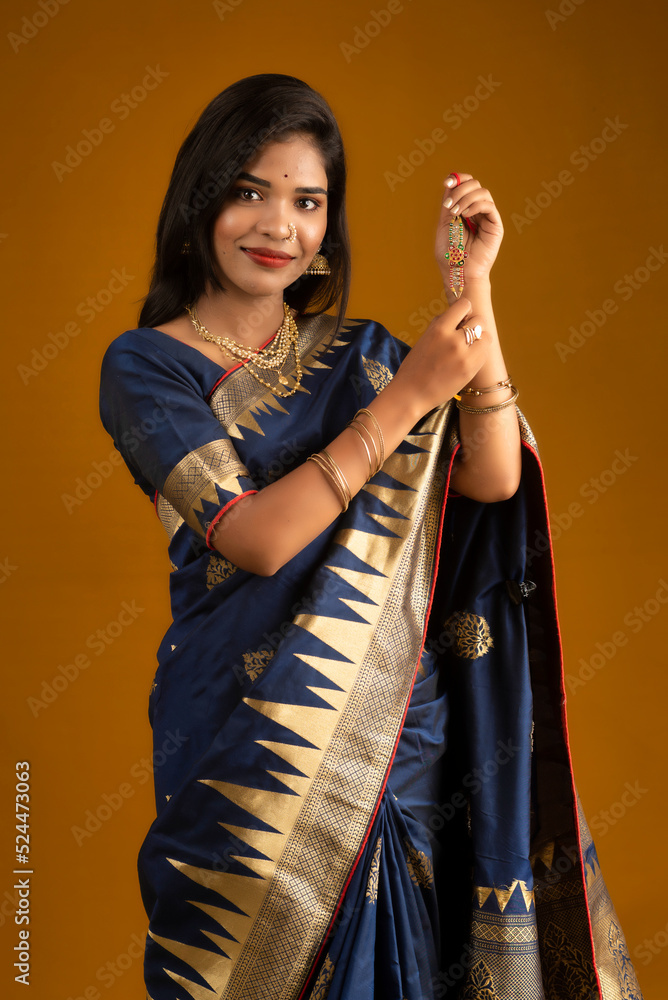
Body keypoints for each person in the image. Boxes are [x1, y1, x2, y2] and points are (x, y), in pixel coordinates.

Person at [99, 74, 643, 1000]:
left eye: (307, 201)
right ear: (201, 199)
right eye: (250, 190)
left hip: (400, 741)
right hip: (254, 757)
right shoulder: (149, 363)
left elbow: (492, 475)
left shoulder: (361, 353)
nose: (279, 224)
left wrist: (473, 292)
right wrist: (408, 397)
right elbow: (257, 538)